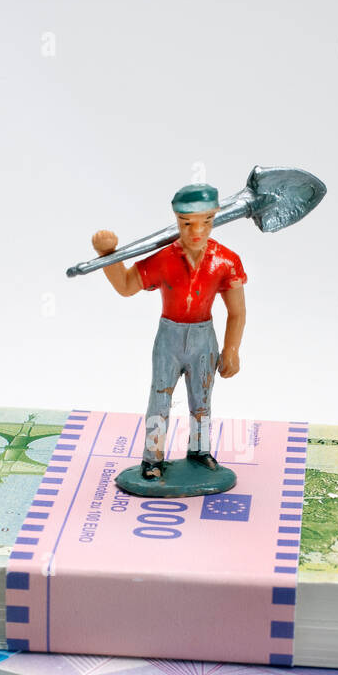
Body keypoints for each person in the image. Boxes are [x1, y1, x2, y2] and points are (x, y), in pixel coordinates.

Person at [92, 183, 247, 480]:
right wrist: (107, 254)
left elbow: (237, 311)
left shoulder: (226, 261)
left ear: (216, 218)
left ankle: (200, 451)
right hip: (169, 337)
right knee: (159, 399)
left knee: (202, 399)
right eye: (186, 223)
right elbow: (126, 286)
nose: (196, 231)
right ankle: (152, 458)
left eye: (206, 222)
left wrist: (231, 349)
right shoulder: (163, 259)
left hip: (204, 337)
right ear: (176, 220)